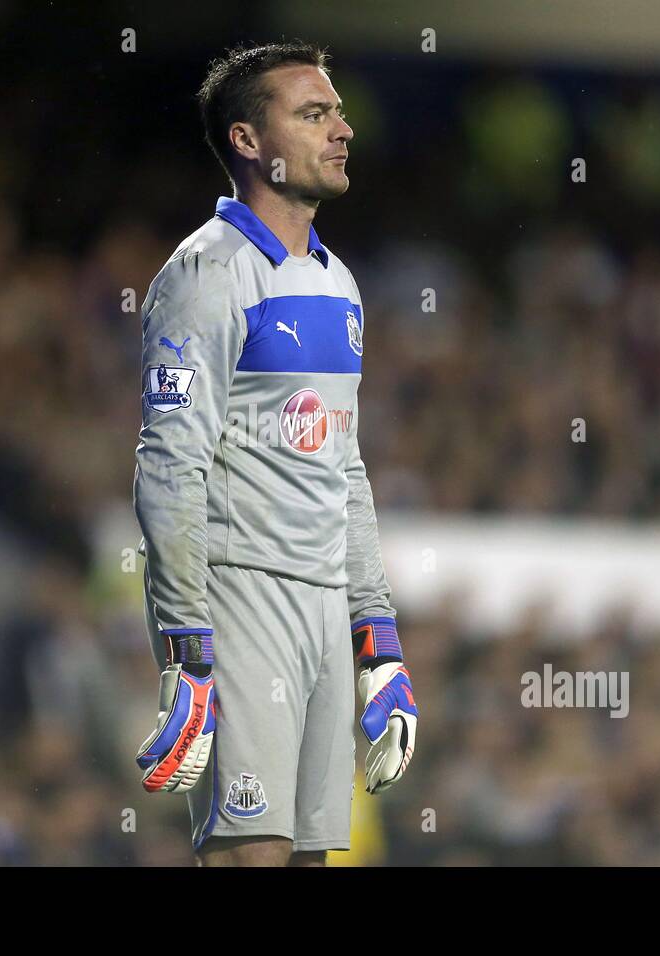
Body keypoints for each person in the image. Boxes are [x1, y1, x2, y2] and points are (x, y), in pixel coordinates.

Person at [131, 41, 417, 867]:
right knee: (249, 853)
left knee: (309, 860)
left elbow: (345, 469)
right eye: (315, 114)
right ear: (250, 142)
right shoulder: (205, 275)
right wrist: (188, 647)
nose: (344, 131)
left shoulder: (338, 284)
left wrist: (379, 641)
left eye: (339, 112)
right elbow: (169, 462)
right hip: (241, 591)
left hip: (326, 601)